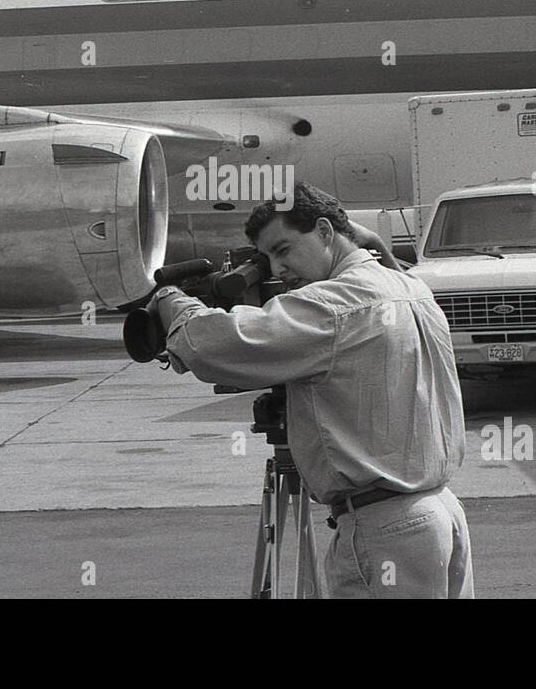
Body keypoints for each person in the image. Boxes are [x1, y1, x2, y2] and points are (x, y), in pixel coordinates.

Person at [148, 181, 473, 598]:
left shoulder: (336, 304)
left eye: (283, 251)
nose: (278, 270)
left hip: (386, 527)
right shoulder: (410, 288)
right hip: (439, 512)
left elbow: (211, 344)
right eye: (267, 258)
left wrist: (172, 302)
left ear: (324, 232)